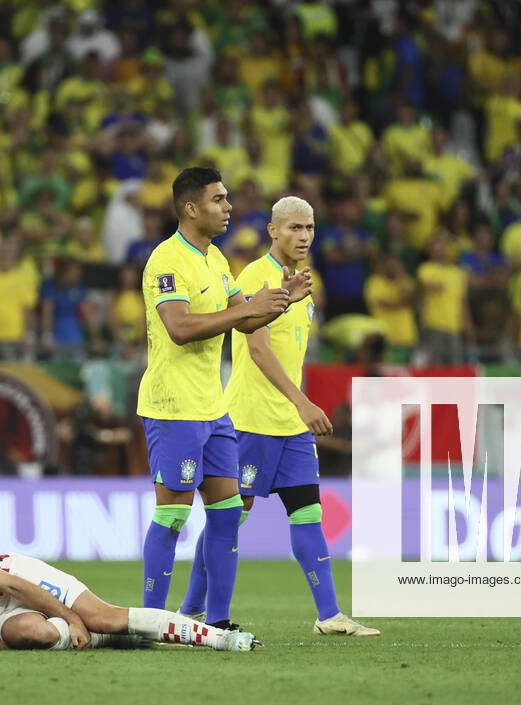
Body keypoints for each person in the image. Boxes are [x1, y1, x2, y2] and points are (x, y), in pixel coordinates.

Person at [179, 196, 379, 636]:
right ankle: (190, 609)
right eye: (293, 228)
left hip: (289, 427)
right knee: (228, 519)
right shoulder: (256, 276)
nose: (304, 236)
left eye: (309, 228)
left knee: (308, 514)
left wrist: (297, 409)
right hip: (251, 422)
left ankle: (329, 616)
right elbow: (258, 348)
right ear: (273, 231)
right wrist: (303, 401)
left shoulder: (307, 281)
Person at [137, 166, 309, 630]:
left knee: (229, 513)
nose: (229, 207)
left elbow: (244, 320)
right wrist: (247, 308)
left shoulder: (215, 260)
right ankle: (153, 620)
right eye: (218, 199)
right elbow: (178, 328)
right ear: (191, 208)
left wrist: (278, 303)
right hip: (174, 407)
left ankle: (217, 621)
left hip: (214, 409)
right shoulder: (167, 261)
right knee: (172, 515)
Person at [0, 548, 258, 651]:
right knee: (31, 634)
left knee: (103, 618)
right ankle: (106, 640)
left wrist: (72, 618)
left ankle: (218, 637)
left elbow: (15, 587)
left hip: (19, 580)